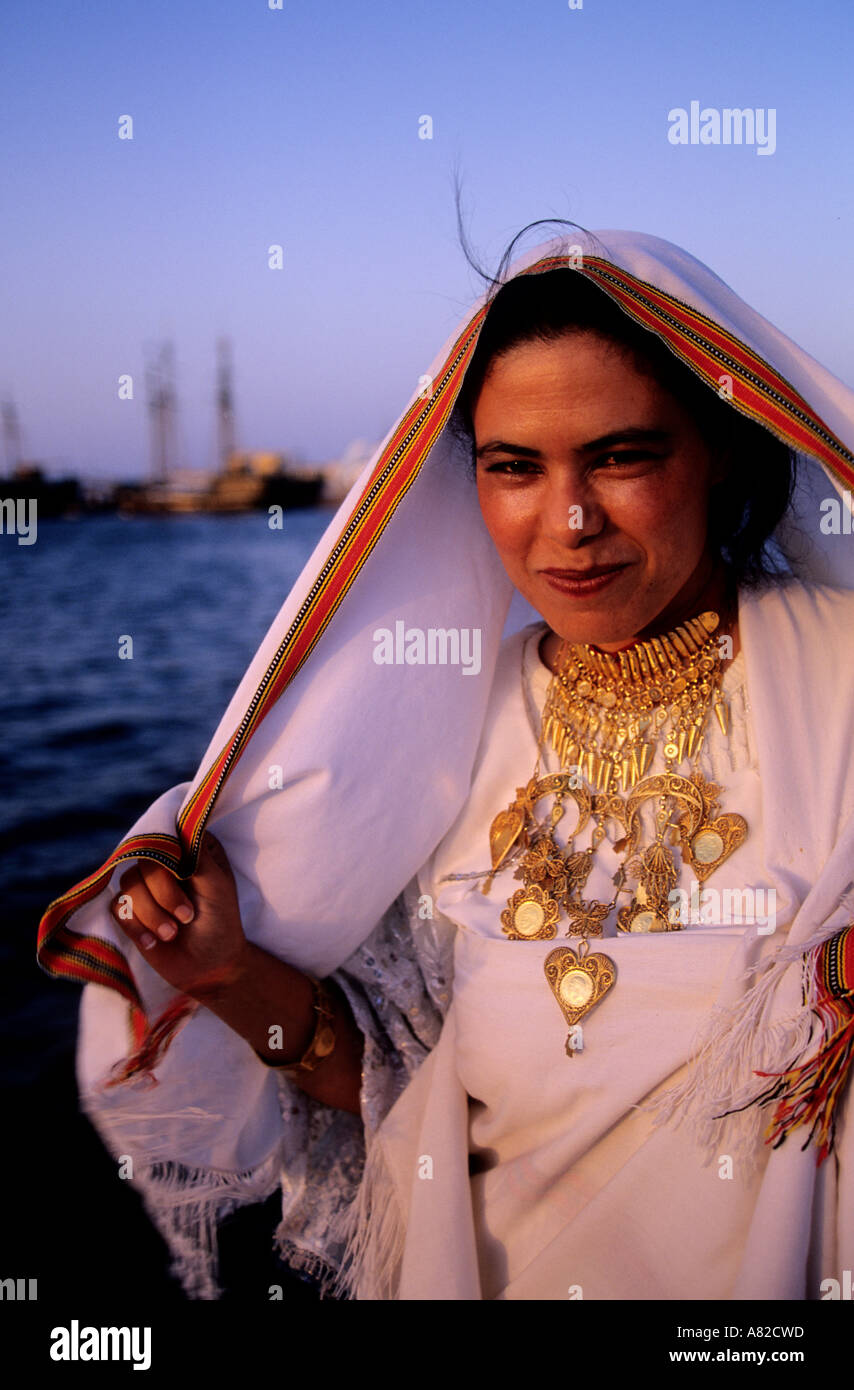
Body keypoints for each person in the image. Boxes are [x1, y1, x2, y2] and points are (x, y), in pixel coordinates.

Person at [38, 223, 854, 1301]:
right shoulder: (450, 737)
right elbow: (381, 1083)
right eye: (514, 467)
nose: (566, 522)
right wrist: (226, 970)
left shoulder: (838, 680)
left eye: (620, 455)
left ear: (720, 449)